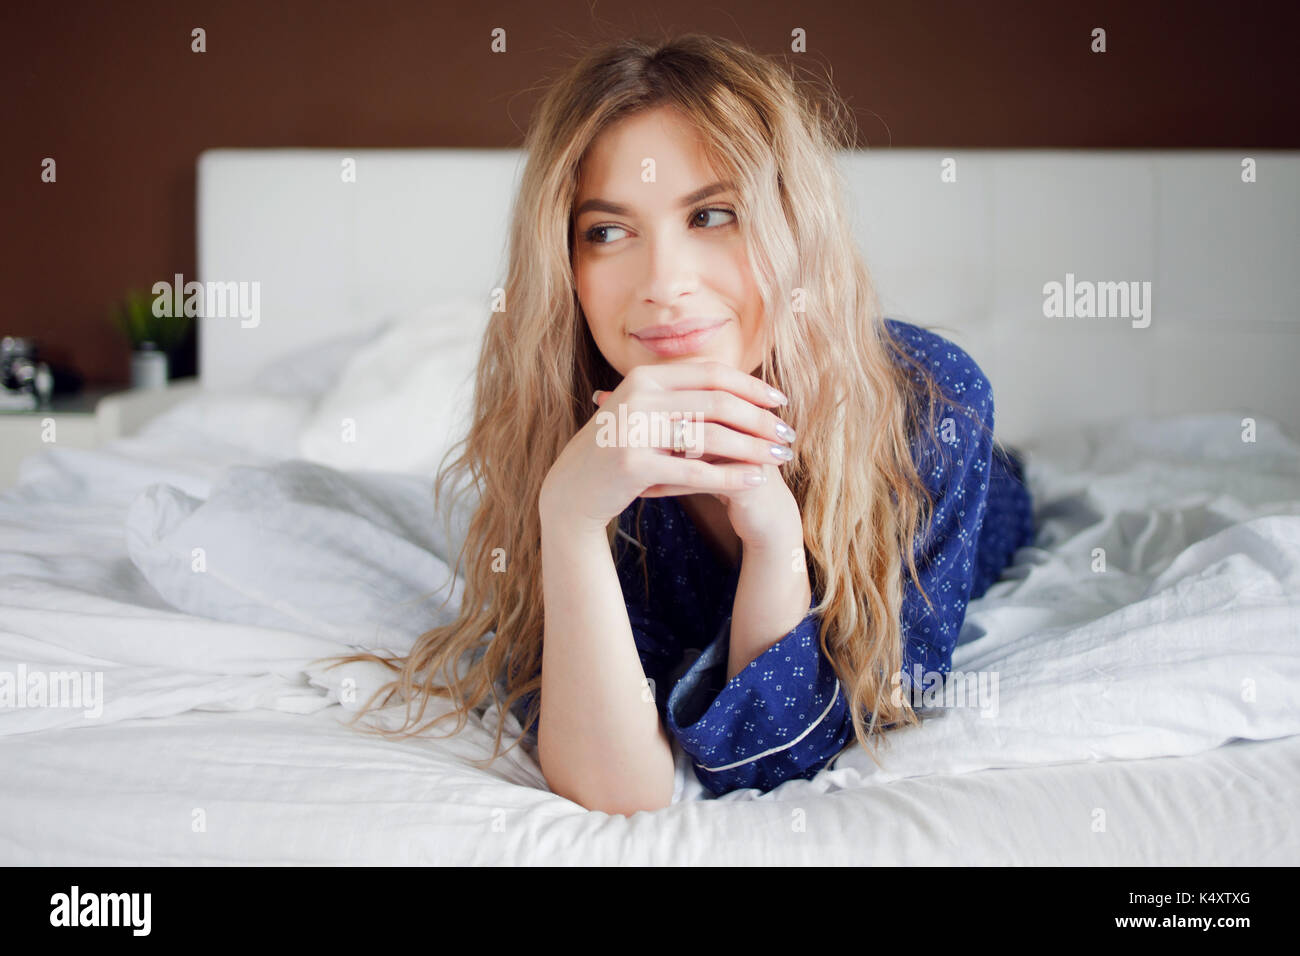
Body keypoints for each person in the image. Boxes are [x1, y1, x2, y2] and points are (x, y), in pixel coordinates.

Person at [324, 32, 1035, 815]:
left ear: (793, 230)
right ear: (567, 264)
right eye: (607, 231)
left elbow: (783, 762)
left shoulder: (932, 402)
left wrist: (773, 539)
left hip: (989, 488)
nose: (664, 285)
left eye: (714, 214)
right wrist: (568, 519)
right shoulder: (560, 420)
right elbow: (615, 791)